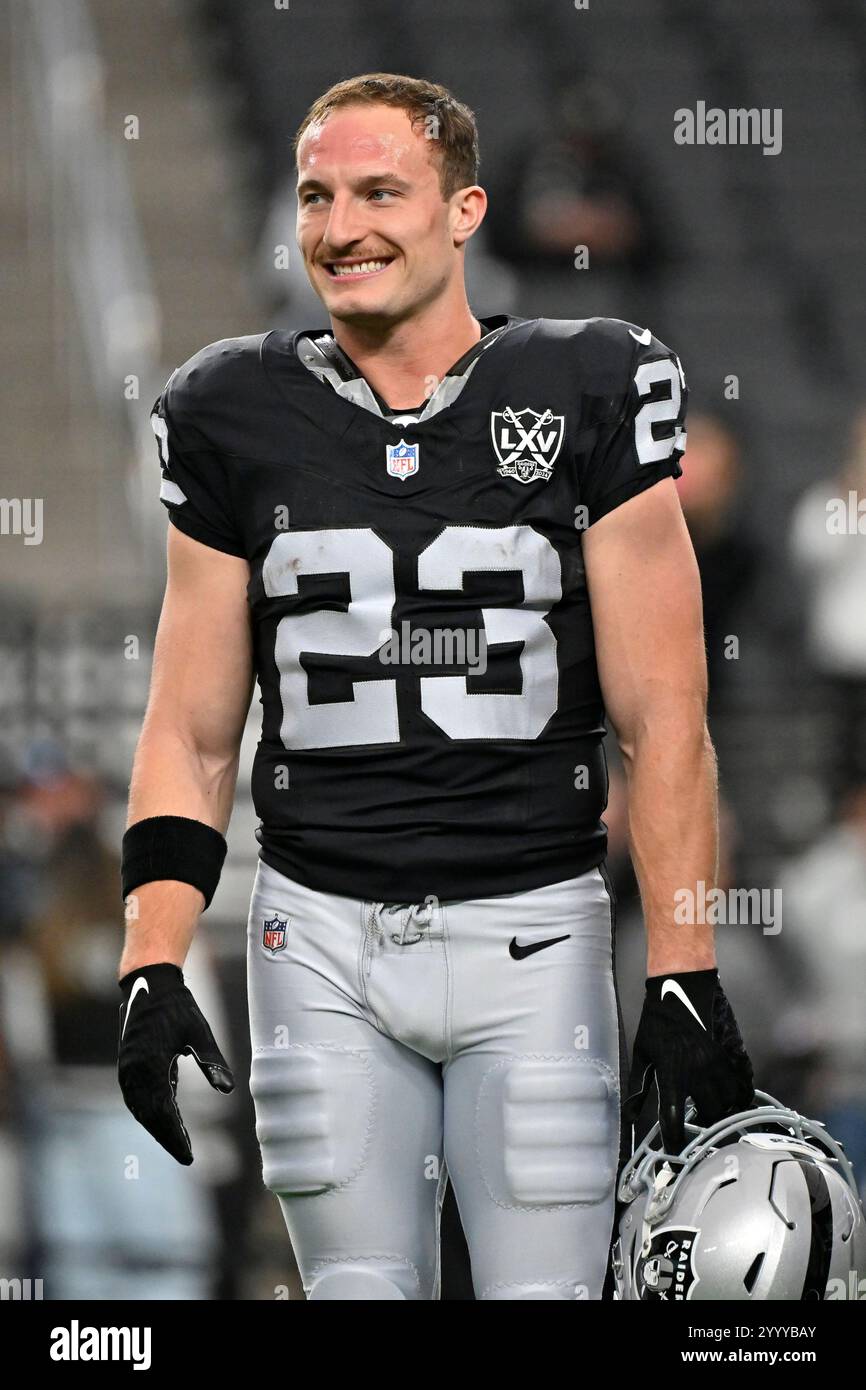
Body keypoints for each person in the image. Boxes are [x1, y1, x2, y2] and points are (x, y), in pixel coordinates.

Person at [117, 72, 754, 1301]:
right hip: (318, 940)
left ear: (464, 210)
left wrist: (683, 966)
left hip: (532, 932)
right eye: (315, 195)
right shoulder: (226, 408)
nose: (339, 224)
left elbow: (662, 714)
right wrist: (152, 956)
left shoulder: (590, 385)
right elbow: (193, 731)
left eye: (376, 191)